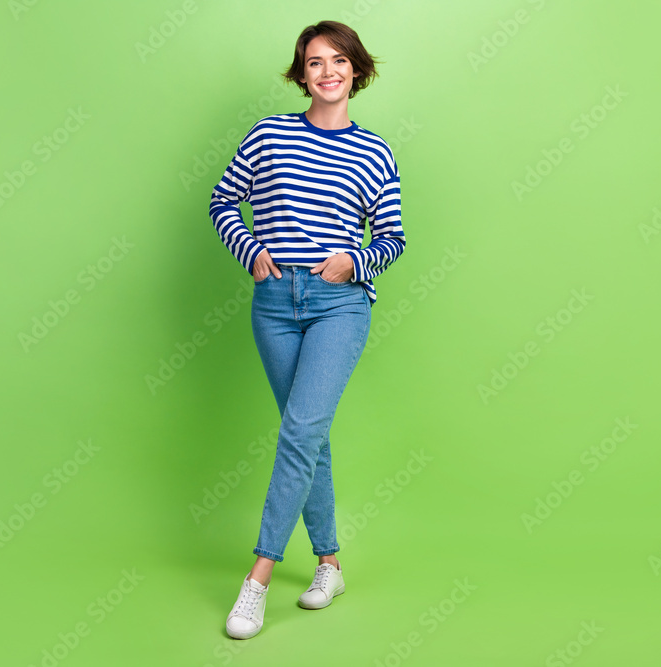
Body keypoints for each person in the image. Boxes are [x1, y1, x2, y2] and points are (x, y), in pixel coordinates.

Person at [208, 19, 406, 639]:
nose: (328, 72)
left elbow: (394, 237)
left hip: (338, 304)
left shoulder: (374, 152)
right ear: (302, 73)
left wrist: (357, 259)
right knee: (308, 436)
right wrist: (250, 251)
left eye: (338, 60)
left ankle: (258, 578)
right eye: (315, 62)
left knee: (299, 430)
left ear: (356, 70)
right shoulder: (268, 135)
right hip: (274, 301)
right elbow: (222, 199)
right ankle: (330, 563)